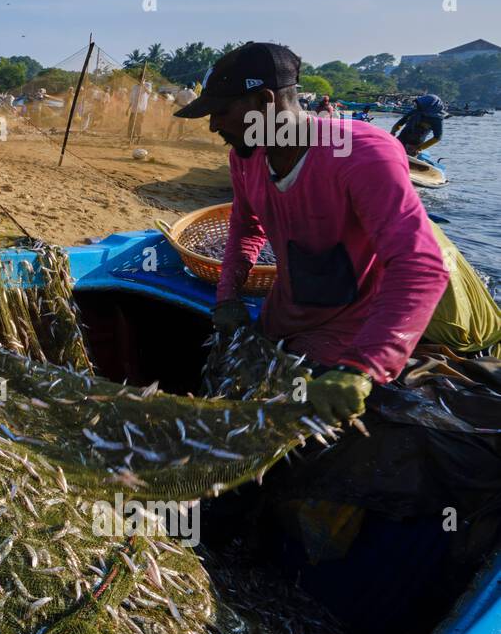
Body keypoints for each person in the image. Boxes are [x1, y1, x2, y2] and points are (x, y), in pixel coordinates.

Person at [176, 41, 449, 419]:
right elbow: (245, 228)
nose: (213, 125)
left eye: (221, 111)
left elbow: (420, 265)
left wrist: (362, 367)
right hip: (283, 315)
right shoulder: (246, 156)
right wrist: (228, 298)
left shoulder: (359, 153)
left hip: (347, 334)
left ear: (264, 102)